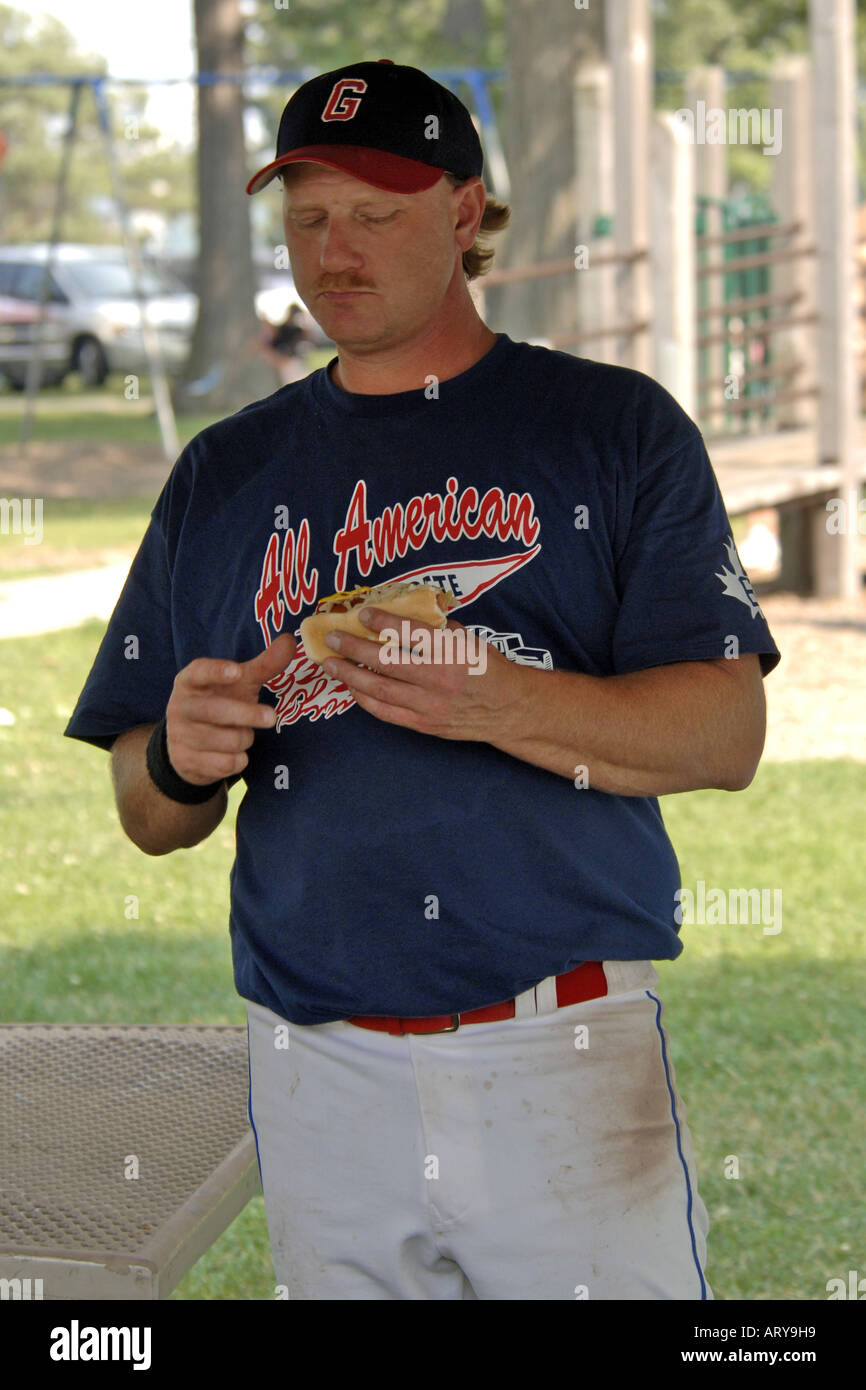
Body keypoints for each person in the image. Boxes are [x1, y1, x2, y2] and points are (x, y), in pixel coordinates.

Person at [64, 58, 781, 1301]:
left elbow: (724, 732)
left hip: (556, 1042)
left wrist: (497, 698)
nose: (333, 249)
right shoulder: (224, 474)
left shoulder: (610, 428)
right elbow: (147, 807)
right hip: (316, 1064)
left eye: (377, 213)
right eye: (306, 217)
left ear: (462, 213)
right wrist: (180, 751)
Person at [257, 302, 315, 385]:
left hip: (293, 362)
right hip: (285, 363)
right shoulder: (281, 328)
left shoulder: (298, 330)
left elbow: (308, 337)